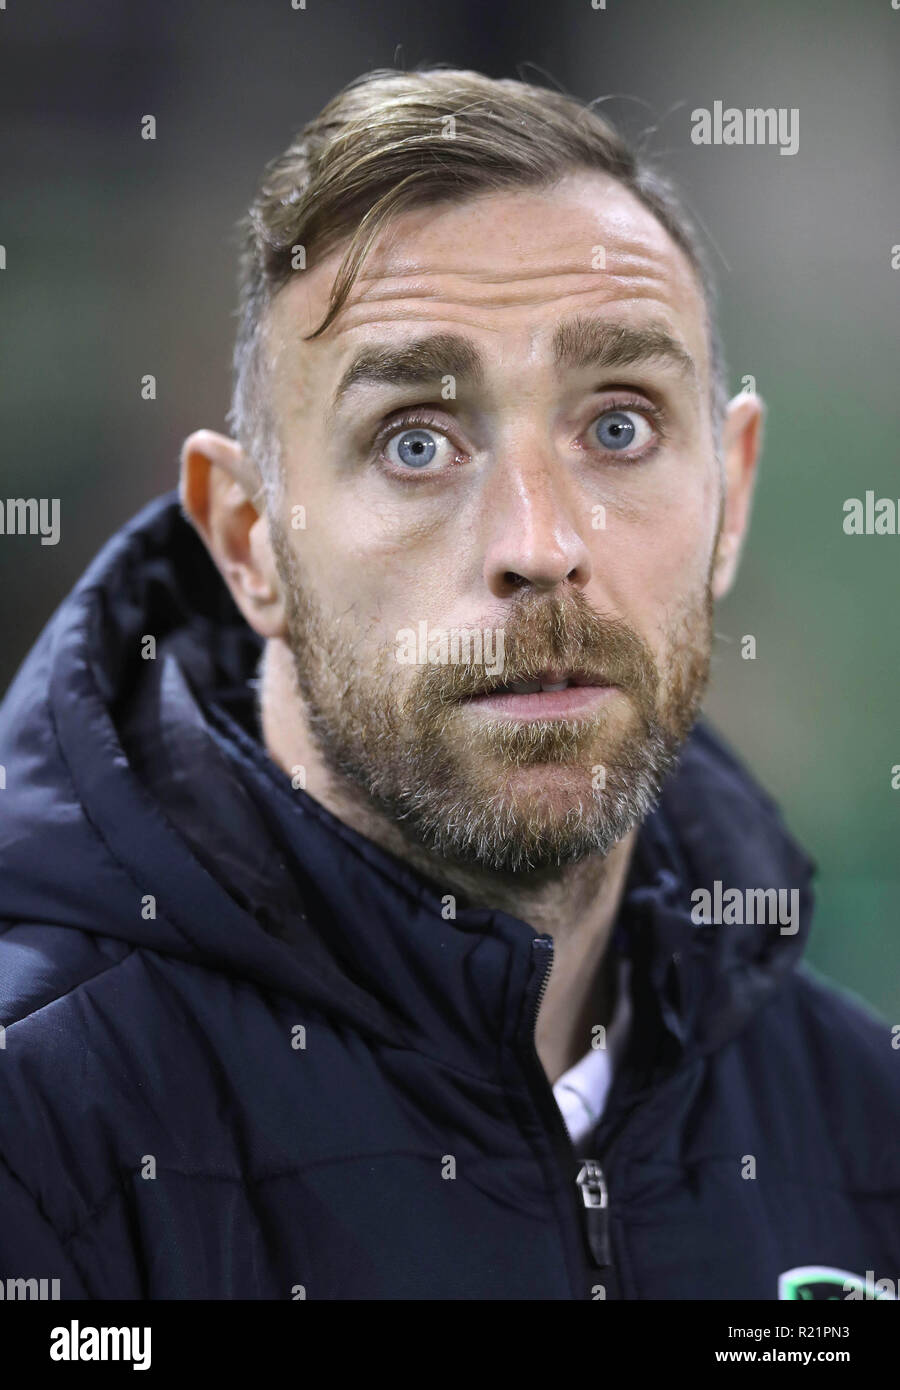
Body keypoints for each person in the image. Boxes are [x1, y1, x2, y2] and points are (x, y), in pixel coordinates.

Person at [0, 66, 897, 1302]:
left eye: (620, 425)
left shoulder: (866, 1130)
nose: (539, 541)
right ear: (250, 541)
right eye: (415, 440)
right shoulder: (44, 1127)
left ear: (730, 498)